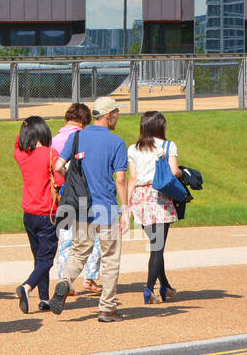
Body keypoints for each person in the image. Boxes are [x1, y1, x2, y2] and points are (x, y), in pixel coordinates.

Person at [48, 97, 130, 322]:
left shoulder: (76, 137)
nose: (118, 118)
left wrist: (70, 182)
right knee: (110, 258)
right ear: (109, 115)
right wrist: (126, 209)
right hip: (106, 207)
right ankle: (106, 308)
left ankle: (65, 281)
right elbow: (121, 180)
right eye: (117, 114)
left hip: (82, 206)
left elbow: (58, 166)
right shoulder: (117, 143)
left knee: (79, 250)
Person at [127, 111, 183, 304]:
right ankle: (149, 289)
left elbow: (132, 178)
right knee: (157, 248)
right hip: (159, 197)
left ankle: (165, 287)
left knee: (155, 245)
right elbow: (174, 171)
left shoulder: (133, 149)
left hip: (140, 198)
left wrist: (127, 205)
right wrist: (184, 175)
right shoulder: (168, 145)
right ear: (160, 126)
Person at [51, 103, 101, 294]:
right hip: (84, 195)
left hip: (64, 194)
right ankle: (89, 278)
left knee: (65, 240)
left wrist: (65, 177)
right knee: (91, 238)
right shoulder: (82, 137)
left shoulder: (54, 139)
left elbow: (55, 166)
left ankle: (65, 282)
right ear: (83, 120)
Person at [14, 115, 62, 314]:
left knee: (39, 258)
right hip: (47, 213)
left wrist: (24, 132)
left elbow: (17, 144)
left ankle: (44, 298)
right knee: (47, 259)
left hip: (29, 214)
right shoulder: (52, 154)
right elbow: (59, 181)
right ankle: (27, 287)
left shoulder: (22, 155)